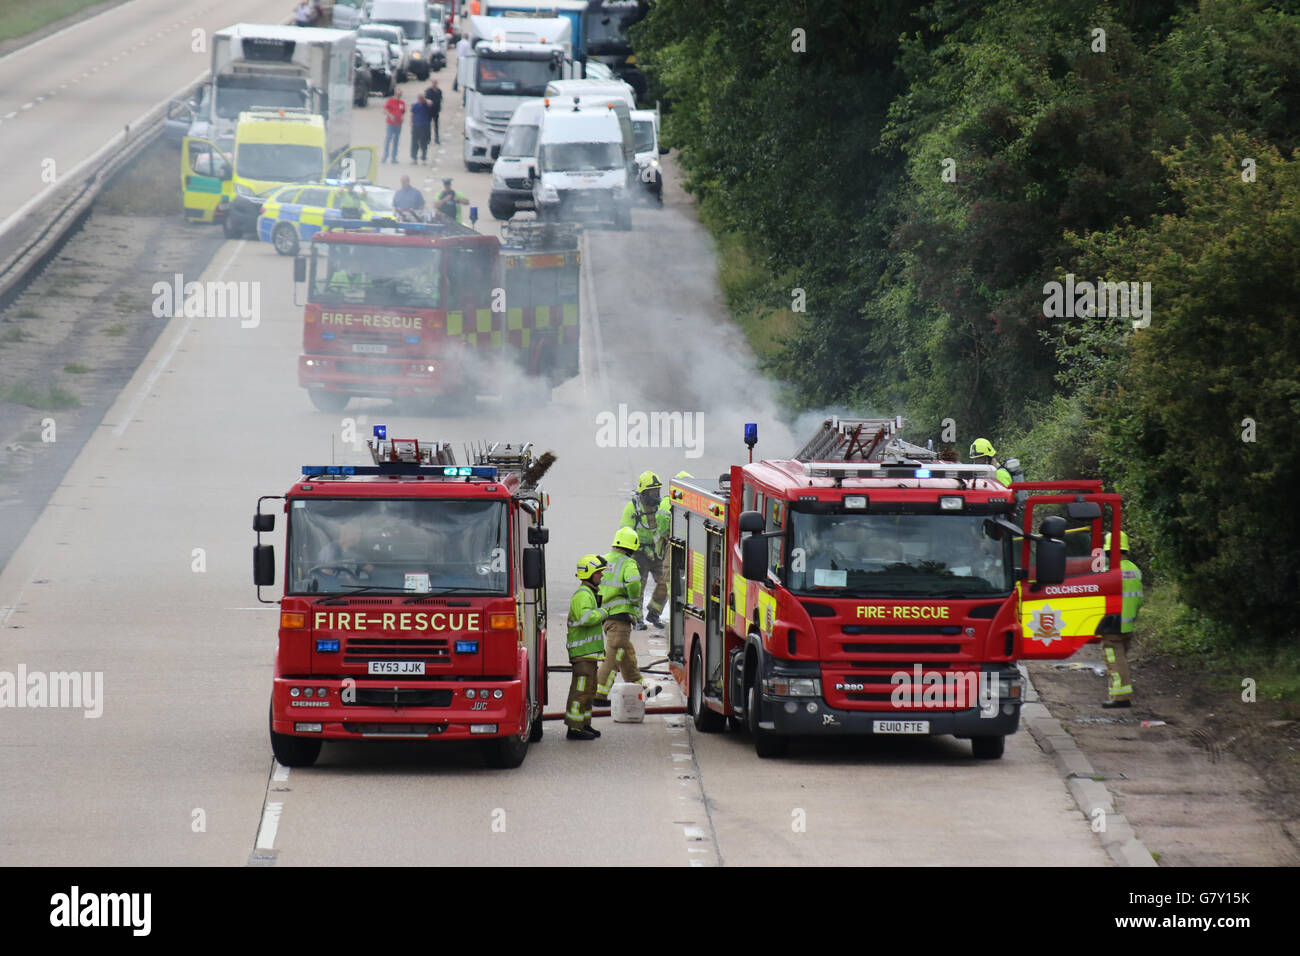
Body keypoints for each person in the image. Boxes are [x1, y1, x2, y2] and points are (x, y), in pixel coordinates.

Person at [594, 528, 663, 706]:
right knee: (614, 656)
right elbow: (633, 583)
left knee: (626, 656)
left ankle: (642, 688)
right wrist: (634, 601)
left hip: (606, 618)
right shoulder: (628, 563)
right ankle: (598, 695)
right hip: (620, 619)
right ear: (632, 547)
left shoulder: (603, 560)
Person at [566, 554, 610, 741]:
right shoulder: (583, 595)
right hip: (582, 655)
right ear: (590, 574)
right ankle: (574, 729)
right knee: (581, 691)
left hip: (588, 655)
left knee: (589, 691)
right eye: (599, 573)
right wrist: (602, 612)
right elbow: (586, 619)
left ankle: (584, 724)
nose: (601, 576)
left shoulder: (589, 593)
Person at [1100, 531, 1144, 709]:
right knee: (1121, 659)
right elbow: (1139, 598)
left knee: (1115, 661)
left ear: (1109, 551)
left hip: (1112, 625)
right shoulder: (1134, 569)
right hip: (1128, 624)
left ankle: (1120, 697)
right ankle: (1120, 694)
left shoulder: (1110, 571)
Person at [620, 471, 663, 628]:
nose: (656, 494)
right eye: (653, 491)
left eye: (658, 490)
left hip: (658, 552)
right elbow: (625, 533)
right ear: (644, 493)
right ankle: (637, 618)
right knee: (637, 587)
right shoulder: (631, 508)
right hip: (639, 555)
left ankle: (654, 614)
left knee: (666, 583)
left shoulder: (661, 507)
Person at [382, 89, 405, 164]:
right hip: (390, 124)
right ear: (395, 94)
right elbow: (385, 110)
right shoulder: (390, 101)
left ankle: (394, 158)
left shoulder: (402, 103)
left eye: (400, 95)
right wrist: (390, 115)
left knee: (396, 141)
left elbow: (403, 112)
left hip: (398, 124)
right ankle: (385, 156)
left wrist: (402, 117)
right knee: (388, 139)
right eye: (398, 94)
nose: (399, 96)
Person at [409, 94, 432, 163]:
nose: (420, 100)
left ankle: (424, 157)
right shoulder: (415, 106)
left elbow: (430, 103)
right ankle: (414, 157)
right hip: (416, 126)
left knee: (423, 142)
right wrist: (411, 123)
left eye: (421, 98)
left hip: (424, 126)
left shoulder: (426, 105)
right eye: (419, 98)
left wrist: (425, 99)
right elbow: (412, 114)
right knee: (414, 142)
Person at [424, 80, 443, 145]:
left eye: (436, 83)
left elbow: (440, 99)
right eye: (434, 83)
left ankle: (436, 139)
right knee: (428, 126)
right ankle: (428, 139)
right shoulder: (428, 91)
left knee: (436, 126)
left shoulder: (439, 91)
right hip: (429, 110)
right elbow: (425, 99)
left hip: (436, 110)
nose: (435, 84)